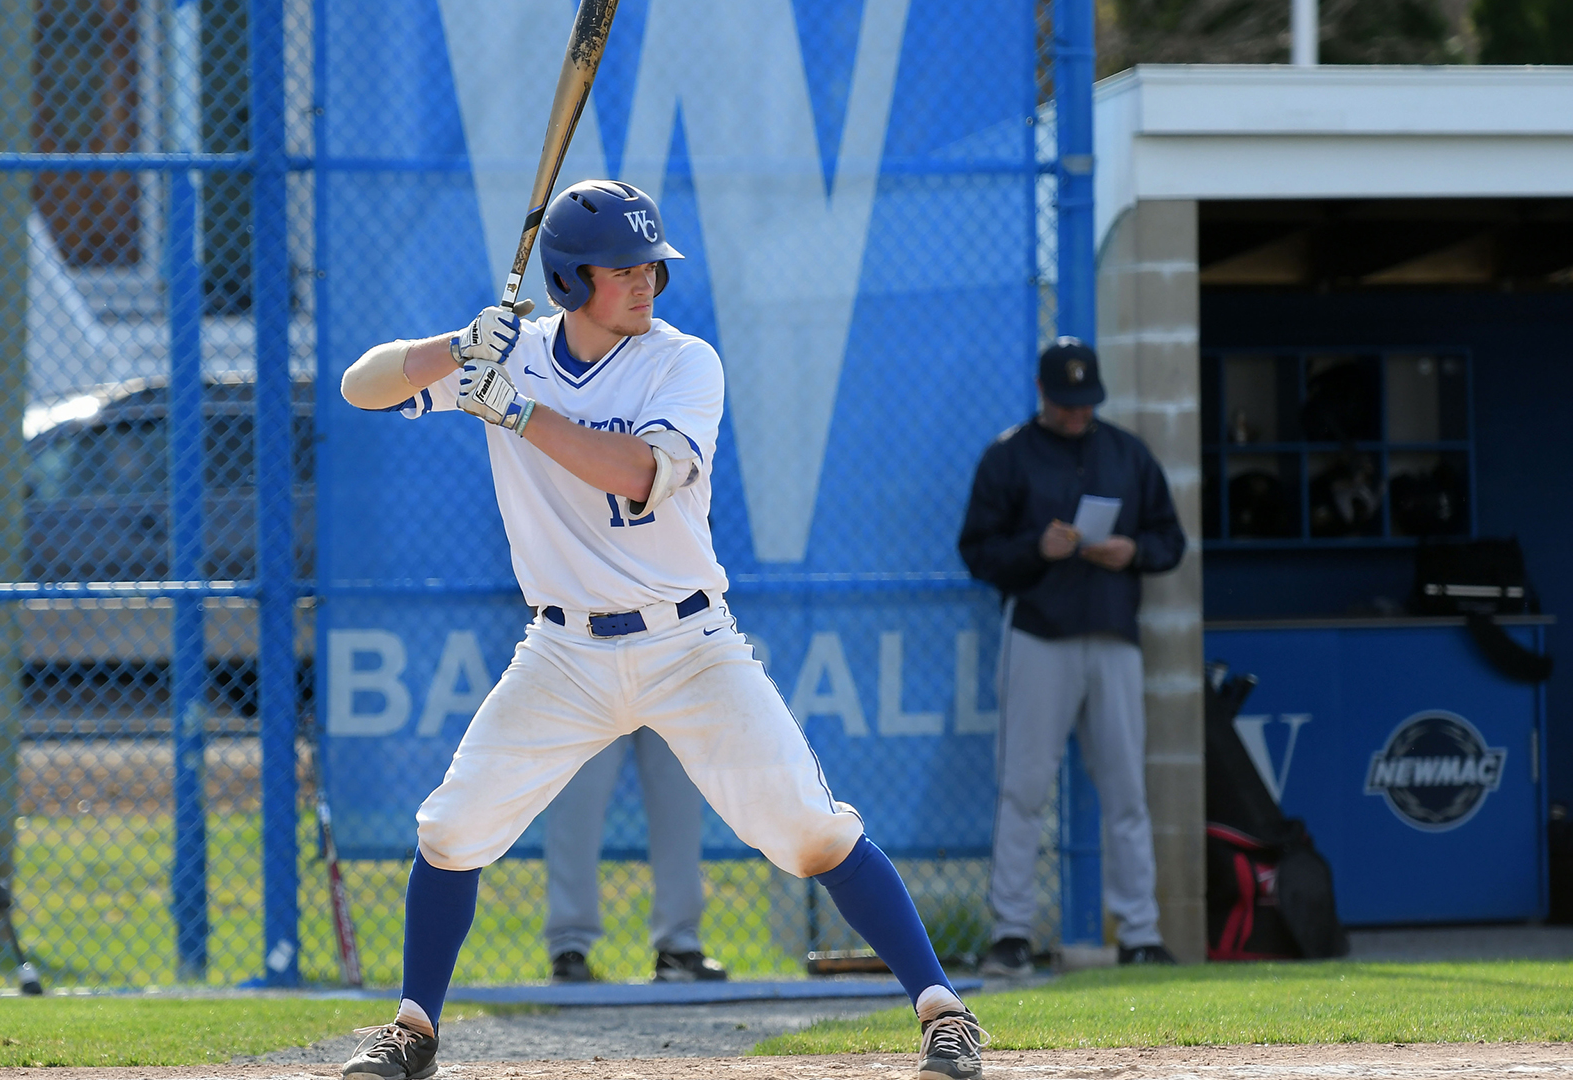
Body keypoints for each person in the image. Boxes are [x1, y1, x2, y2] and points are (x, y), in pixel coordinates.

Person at [336, 180, 987, 1080]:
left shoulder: (685, 363)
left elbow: (638, 471)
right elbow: (357, 387)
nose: (646, 282)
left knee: (810, 832)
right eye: (623, 269)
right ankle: (413, 1030)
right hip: (562, 651)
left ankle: (944, 1013)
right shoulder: (510, 356)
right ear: (568, 280)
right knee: (451, 829)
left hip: (689, 645)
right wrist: (450, 350)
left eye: (653, 266)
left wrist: (515, 411)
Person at [956, 340, 1187, 976]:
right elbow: (977, 551)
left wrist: (1131, 551)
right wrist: (1038, 548)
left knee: (1126, 790)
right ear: (1042, 392)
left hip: (1112, 634)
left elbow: (1171, 540)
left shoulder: (1125, 452)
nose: (1077, 414)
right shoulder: (1010, 455)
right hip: (1038, 631)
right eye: (1065, 403)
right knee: (1023, 788)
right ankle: (1011, 933)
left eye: (1085, 403)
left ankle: (1140, 933)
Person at [543, 728, 725, 984]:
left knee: (679, 802)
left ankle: (678, 946)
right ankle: (568, 948)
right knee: (578, 801)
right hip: (595, 687)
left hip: (668, 687)